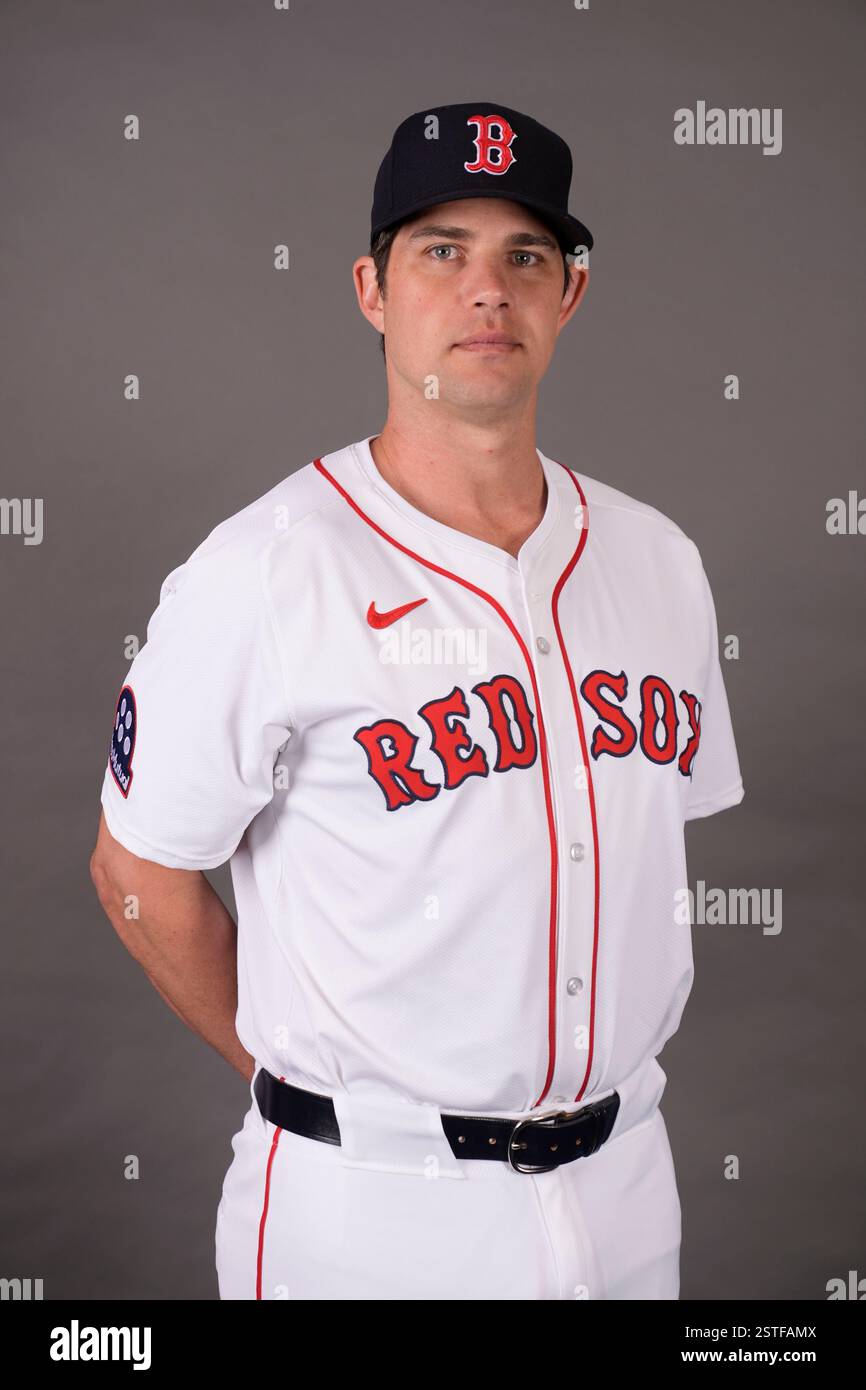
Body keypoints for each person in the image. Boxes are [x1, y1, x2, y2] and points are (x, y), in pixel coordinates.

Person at [90, 101, 745, 1300]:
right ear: (371, 291)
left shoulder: (658, 561)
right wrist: (296, 1067)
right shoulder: (268, 567)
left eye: (524, 256)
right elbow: (137, 872)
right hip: (370, 1210)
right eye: (441, 250)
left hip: (625, 1187)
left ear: (569, 296)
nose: (485, 289)